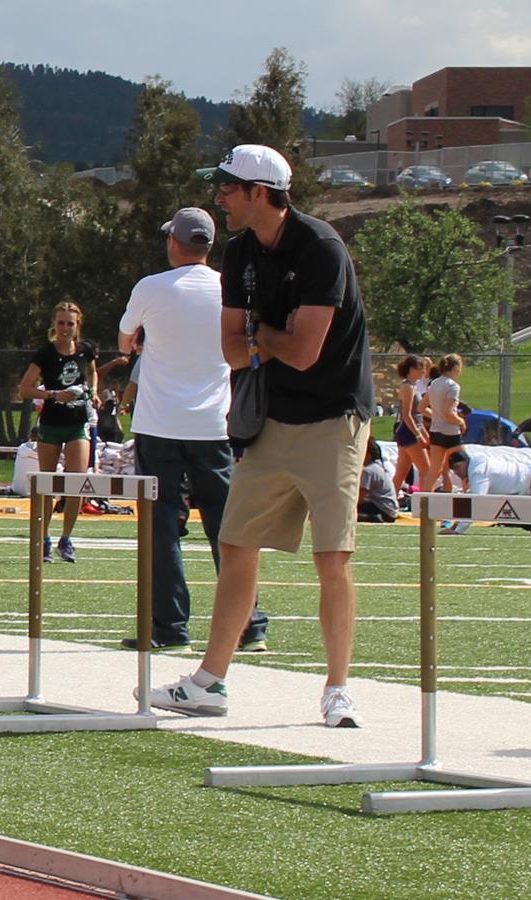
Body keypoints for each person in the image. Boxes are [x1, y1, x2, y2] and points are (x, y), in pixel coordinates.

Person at [151, 144, 375, 729]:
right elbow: (231, 347)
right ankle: (209, 681)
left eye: (227, 188)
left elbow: (302, 353)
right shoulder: (241, 250)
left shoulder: (321, 246)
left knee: (333, 558)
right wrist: (266, 336)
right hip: (271, 417)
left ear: (259, 193)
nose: (218, 198)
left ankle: (338, 690)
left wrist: (260, 335)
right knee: (235, 543)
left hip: (333, 419)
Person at [116, 208, 269, 651]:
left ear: (173, 243)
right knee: (228, 527)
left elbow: (126, 340)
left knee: (161, 529)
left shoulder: (151, 287)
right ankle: (249, 624)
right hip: (213, 425)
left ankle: (168, 626)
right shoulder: (228, 286)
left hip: (159, 423)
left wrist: (147, 337)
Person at [18, 301, 96, 563]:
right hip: (51, 424)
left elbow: (92, 373)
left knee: (77, 482)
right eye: (61, 323)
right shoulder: (45, 354)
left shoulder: (85, 350)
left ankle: (66, 538)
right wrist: (52, 394)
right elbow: (25, 388)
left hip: (77, 424)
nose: (65, 328)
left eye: (70, 324)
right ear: (54, 324)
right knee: (48, 485)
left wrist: (92, 393)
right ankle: (44, 538)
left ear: (78, 325)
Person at [420, 354, 467, 493]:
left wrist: (436, 415)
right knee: (465, 467)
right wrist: (461, 421)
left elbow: (421, 408)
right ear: (456, 368)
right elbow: (449, 412)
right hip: (451, 433)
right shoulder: (453, 386)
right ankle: (467, 500)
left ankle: (425, 502)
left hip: (436, 431)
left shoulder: (434, 384)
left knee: (434, 471)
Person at [390, 355, 432, 500]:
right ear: (412, 369)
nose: (423, 372)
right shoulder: (407, 387)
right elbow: (407, 415)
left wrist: (426, 432)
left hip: (411, 431)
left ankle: (391, 501)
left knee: (401, 472)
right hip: (409, 432)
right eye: (421, 369)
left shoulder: (413, 386)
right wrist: (418, 435)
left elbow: (419, 413)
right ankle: (424, 505)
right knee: (426, 470)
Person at [358, 440, 399, 523]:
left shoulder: (368, 470)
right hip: (390, 510)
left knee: (347, 510)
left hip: (382, 510)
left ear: (368, 455)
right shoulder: (379, 466)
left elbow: (360, 498)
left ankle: (371, 517)